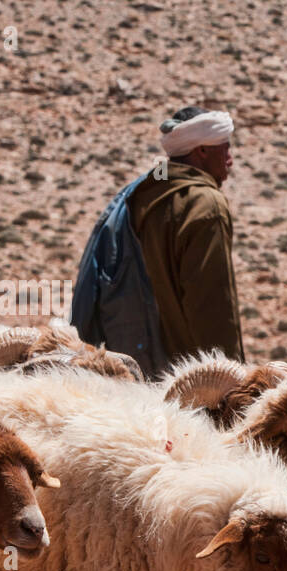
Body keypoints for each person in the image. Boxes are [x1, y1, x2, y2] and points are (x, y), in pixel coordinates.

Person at [70, 106, 244, 375]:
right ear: (202, 151)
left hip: (137, 366)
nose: (230, 159)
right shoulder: (206, 204)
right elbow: (212, 306)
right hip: (189, 376)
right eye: (225, 149)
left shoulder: (143, 194)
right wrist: (231, 375)